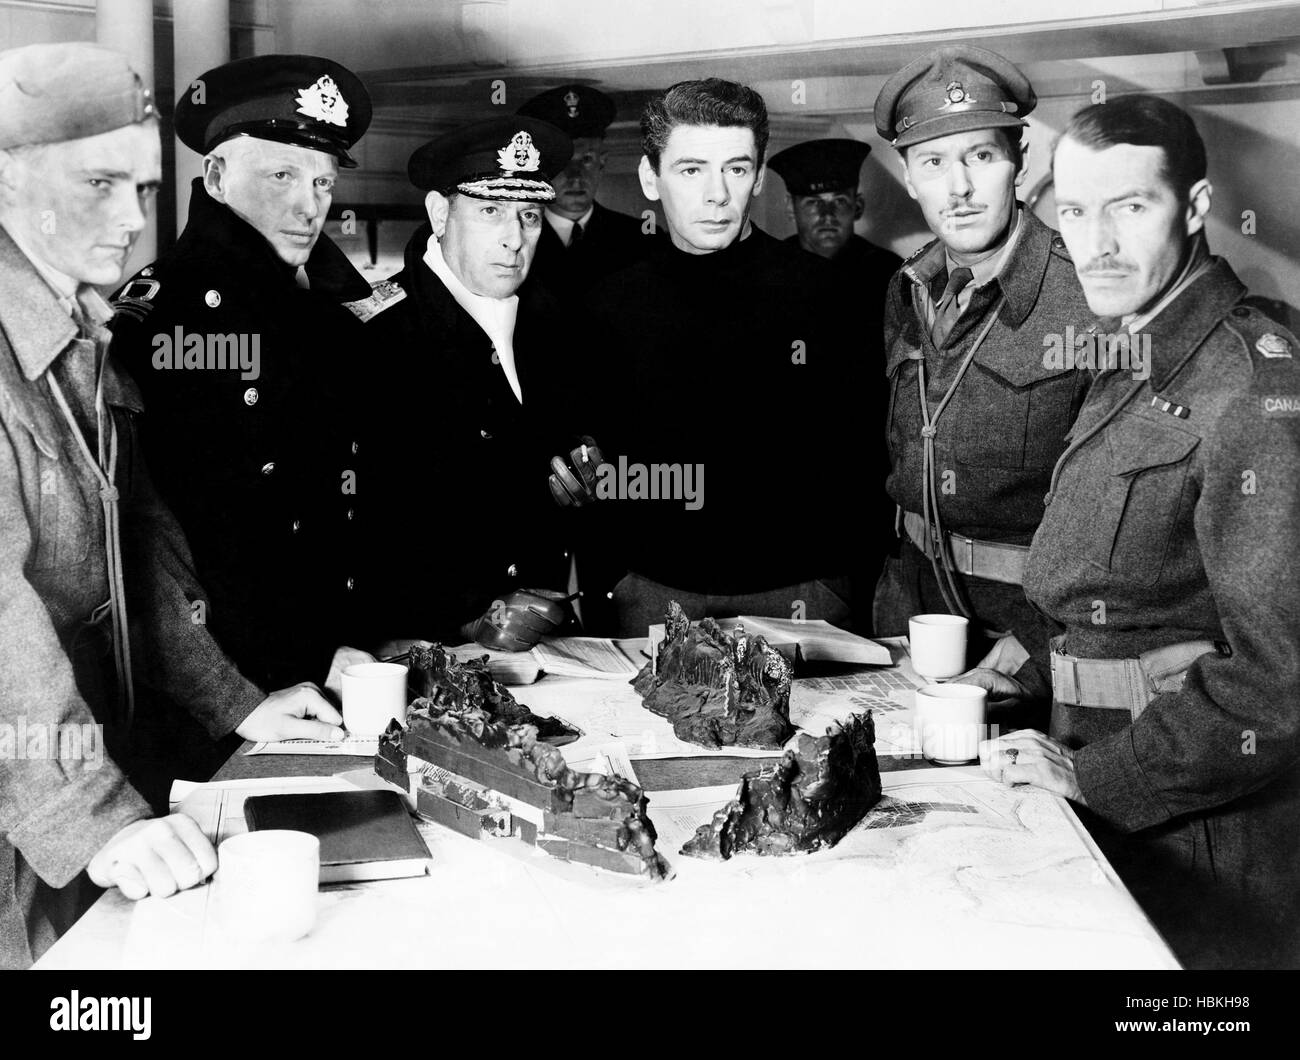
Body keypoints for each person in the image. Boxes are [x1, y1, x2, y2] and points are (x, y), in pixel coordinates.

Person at [0, 43, 346, 969]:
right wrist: (90, 815)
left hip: (92, 773)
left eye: (144, 190)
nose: (130, 219)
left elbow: (140, 539)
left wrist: (237, 703)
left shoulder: (83, 337)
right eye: (99, 182)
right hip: (32, 798)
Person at [967, 95, 1300, 969]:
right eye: (1073, 211)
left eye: (1131, 206)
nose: (1097, 244)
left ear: (1193, 207)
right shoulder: (1137, 349)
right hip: (1107, 775)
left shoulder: (1253, 386)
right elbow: (1123, 587)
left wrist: (1097, 778)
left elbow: (1281, 685)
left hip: (1201, 837)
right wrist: (1018, 671)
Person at [109, 55, 377, 711]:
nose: (308, 204)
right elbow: (157, 537)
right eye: (282, 174)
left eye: (322, 180)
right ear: (218, 177)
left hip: (328, 665)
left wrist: (343, 646)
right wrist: (290, 668)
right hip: (220, 689)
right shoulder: (161, 316)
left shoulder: (320, 311)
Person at [577, 78, 884, 637]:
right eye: (692, 169)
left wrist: (844, 586)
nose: (717, 193)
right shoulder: (607, 303)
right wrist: (614, 581)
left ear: (759, 175)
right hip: (651, 594)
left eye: (736, 169)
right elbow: (589, 461)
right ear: (652, 177)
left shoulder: (829, 297)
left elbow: (869, 460)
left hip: (802, 594)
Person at [870, 45, 1093, 711]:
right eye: (934, 162)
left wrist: (1040, 644)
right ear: (909, 178)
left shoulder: (1084, 297)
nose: (958, 188)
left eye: (981, 157)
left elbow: (1129, 516)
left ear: (1020, 162)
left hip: (1034, 635)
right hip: (917, 615)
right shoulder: (906, 286)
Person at [355, 117, 593, 645]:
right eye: (490, 211)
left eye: (528, 216)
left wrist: (584, 467)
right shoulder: (375, 334)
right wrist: (463, 612)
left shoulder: (554, 325)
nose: (514, 240)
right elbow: (352, 519)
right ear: (440, 214)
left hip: (542, 639)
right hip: (416, 643)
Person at [515, 84, 660, 301]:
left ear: (602, 162)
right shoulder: (514, 240)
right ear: (540, 169)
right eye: (563, 162)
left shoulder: (642, 241)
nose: (575, 175)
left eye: (587, 159)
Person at [766, 137, 901, 311]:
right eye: (814, 203)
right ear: (791, 207)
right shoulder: (769, 270)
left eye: (839, 201)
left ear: (857, 206)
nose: (827, 215)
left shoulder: (887, 272)